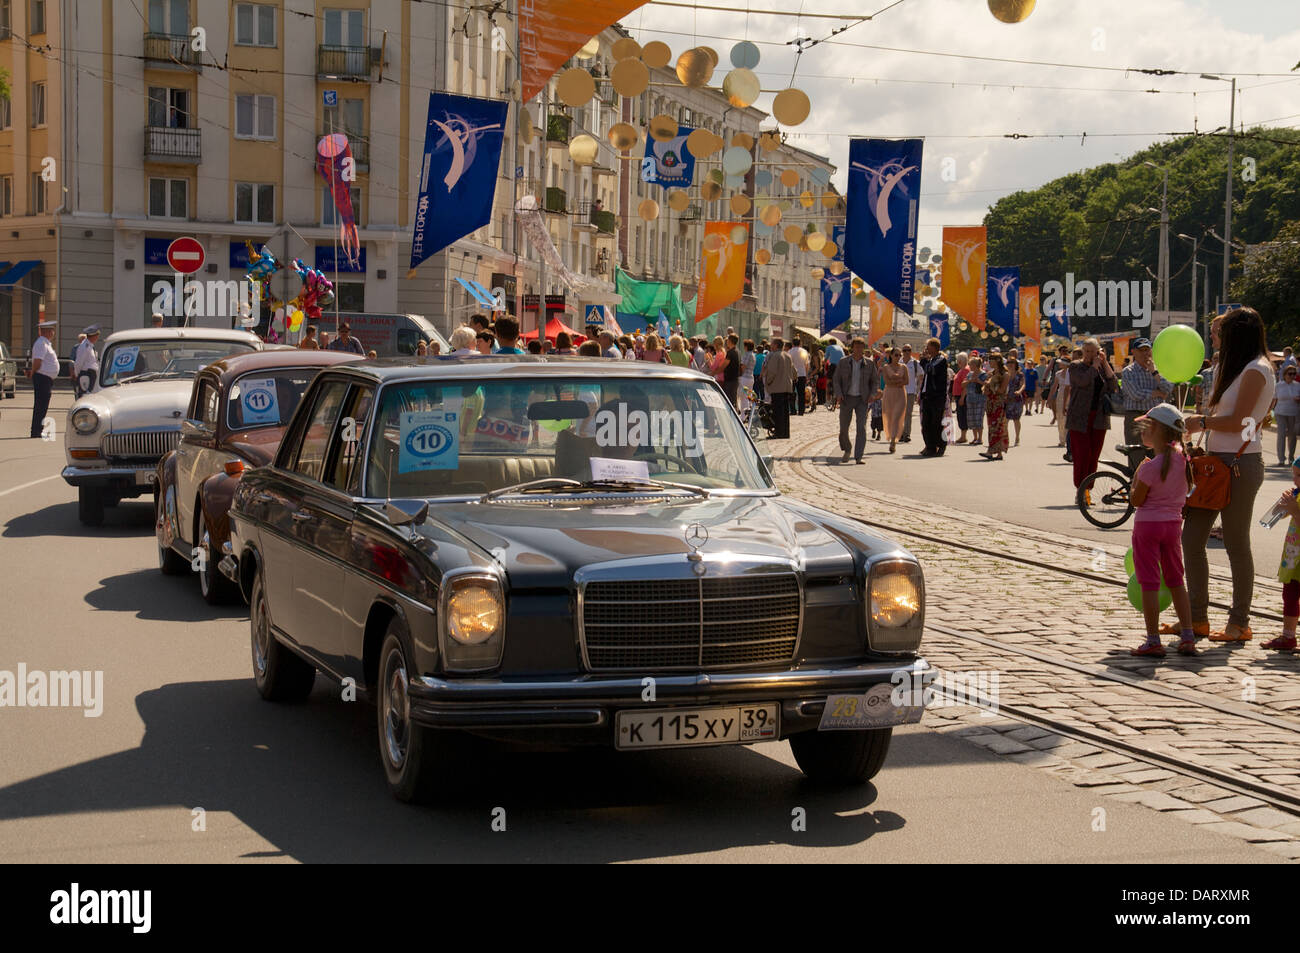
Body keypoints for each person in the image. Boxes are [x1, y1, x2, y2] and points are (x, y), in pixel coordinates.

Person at [1177, 307, 1275, 642]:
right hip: (1216, 462)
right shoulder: (1237, 368)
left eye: (1221, 332)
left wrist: (1201, 422)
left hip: (1239, 463)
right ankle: (1197, 618)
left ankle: (1239, 622)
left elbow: (1241, 422)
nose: (1215, 338)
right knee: (1191, 539)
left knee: (1235, 543)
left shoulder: (1256, 369)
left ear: (1238, 335)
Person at [1128, 403, 1196, 657]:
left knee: (1149, 583)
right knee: (1177, 580)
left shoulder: (1149, 467)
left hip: (1147, 527)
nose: (1142, 432)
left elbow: (1137, 500)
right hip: (1172, 526)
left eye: (1145, 427)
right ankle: (1188, 635)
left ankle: (1153, 639)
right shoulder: (1183, 461)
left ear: (1156, 430)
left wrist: (1136, 477)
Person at [1066, 339, 1119, 491]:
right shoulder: (1075, 366)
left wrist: (1105, 364)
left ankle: (1088, 489)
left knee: (1093, 456)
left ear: (1098, 352)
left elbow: (1113, 385)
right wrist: (1094, 366)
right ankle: (1080, 489)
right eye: (1086, 351)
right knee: (1082, 455)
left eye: (1093, 351)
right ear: (1082, 352)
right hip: (1079, 418)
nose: (1089, 354)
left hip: (1099, 418)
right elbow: (1082, 382)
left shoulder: (1102, 368)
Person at [1120, 337, 1170, 473]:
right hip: (1136, 417)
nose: (1145, 354)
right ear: (1133, 352)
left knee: (1157, 457)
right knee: (1137, 457)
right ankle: (1136, 490)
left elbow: (1168, 389)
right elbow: (1136, 394)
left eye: (1147, 350)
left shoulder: (1158, 370)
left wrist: (1154, 372)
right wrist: (1157, 393)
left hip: (1156, 418)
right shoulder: (1128, 372)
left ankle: (1154, 492)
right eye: (1141, 350)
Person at [1265, 459, 1300, 650]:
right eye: (1294, 475)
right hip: (1294, 557)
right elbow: (1276, 514)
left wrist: (1294, 510)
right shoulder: (1297, 495)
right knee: (1290, 594)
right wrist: (1283, 504)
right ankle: (1288, 636)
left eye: (1299, 475)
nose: (1295, 480)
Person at [832, 337, 879, 465]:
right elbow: (836, 380)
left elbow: (875, 381)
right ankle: (847, 449)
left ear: (864, 348)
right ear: (852, 348)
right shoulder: (844, 362)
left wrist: (873, 394)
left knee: (861, 428)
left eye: (861, 347)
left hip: (862, 399)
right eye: (856, 347)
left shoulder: (869, 363)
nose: (858, 349)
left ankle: (858, 456)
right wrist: (839, 394)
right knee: (843, 428)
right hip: (846, 398)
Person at [918, 337, 950, 457]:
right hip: (927, 396)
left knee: (936, 423)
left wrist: (923, 360)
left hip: (937, 397)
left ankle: (941, 446)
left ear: (935, 347)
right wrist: (921, 393)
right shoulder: (931, 360)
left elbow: (930, 369)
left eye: (928, 347)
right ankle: (930, 446)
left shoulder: (940, 360)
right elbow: (926, 377)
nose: (926, 349)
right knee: (926, 423)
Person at [28, 319, 59, 438]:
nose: (53, 333)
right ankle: (36, 431)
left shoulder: (45, 343)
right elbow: (37, 362)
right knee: (40, 405)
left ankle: (37, 430)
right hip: (42, 378)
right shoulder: (41, 343)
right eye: (52, 330)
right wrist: (33, 372)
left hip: (45, 378)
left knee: (42, 405)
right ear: (48, 332)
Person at [761, 339, 793, 439]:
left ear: (775, 345)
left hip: (777, 386)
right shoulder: (788, 355)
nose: (771, 346)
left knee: (778, 411)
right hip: (787, 386)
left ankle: (778, 432)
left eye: (772, 344)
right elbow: (793, 371)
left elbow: (772, 372)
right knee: (785, 412)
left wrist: (768, 382)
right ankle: (785, 432)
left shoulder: (775, 356)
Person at [981, 354, 1010, 461]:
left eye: (991, 360)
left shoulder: (1005, 374)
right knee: (992, 427)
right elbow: (986, 389)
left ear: (997, 361)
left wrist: (991, 386)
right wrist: (986, 387)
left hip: (999, 403)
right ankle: (998, 454)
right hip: (990, 403)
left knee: (998, 427)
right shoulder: (992, 373)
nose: (989, 362)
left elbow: (1002, 390)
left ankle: (990, 451)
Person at [1272, 364, 1300, 466]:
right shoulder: (1279, 385)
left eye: (1294, 374)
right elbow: (1274, 399)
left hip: (1294, 413)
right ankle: (1281, 459)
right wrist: (1269, 410)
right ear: (1285, 375)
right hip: (1280, 412)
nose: (1292, 376)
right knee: (1281, 435)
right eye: (1290, 374)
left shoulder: (1298, 385)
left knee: (1292, 436)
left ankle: (1291, 458)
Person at [961, 355, 986, 446]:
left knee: (979, 418)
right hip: (970, 398)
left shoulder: (983, 374)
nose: (969, 366)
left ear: (976, 365)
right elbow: (963, 385)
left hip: (980, 399)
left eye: (970, 364)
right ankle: (975, 437)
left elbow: (986, 386)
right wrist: (970, 381)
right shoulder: (969, 374)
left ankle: (980, 438)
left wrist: (979, 381)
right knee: (971, 418)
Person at [1003, 353, 1025, 447]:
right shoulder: (1005, 374)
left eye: (1012, 362)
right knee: (1006, 420)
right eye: (1008, 362)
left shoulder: (1020, 374)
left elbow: (1023, 384)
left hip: (1016, 399)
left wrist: (1019, 391)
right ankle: (1006, 439)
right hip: (1007, 399)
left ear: (1016, 364)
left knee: (1016, 419)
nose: (1010, 364)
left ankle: (1017, 438)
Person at [73, 325, 101, 397]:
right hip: (86, 374)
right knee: (85, 396)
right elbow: (79, 362)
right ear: (93, 336)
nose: (98, 338)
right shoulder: (84, 346)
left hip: (92, 375)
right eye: (97, 335)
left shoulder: (90, 346)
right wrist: (77, 374)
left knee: (90, 396)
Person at [900, 343, 920, 443]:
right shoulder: (898, 362)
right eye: (905, 350)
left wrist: (919, 390)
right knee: (899, 414)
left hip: (911, 392)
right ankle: (900, 433)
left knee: (908, 414)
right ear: (902, 351)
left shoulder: (915, 363)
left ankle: (906, 434)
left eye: (909, 350)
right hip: (899, 391)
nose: (907, 352)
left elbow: (921, 376)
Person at [951, 351, 970, 443]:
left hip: (962, 396)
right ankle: (963, 435)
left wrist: (962, 397)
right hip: (958, 396)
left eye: (958, 361)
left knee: (962, 415)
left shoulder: (965, 370)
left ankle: (963, 436)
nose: (957, 363)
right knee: (960, 415)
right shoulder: (962, 370)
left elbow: (965, 385)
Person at [788, 337, 810, 415]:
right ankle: (801, 410)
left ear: (793, 343)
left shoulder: (789, 352)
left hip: (792, 375)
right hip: (802, 374)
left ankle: (793, 410)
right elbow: (807, 364)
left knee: (791, 393)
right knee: (801, 394)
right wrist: (806, 374)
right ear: (800, 343)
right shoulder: (804, 351)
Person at [721, 334, 742, 409]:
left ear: (729, 341)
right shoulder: (738, 351)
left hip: (730, 381)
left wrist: (713, 372)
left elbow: (723, 366)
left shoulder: (730, 352)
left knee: (728, 402)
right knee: (733, 401)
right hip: (735, 380)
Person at [739, 339, 756, 413]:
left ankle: (743, 416)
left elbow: (743, 366)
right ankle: (748, 415)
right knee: (748, 397)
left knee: (743, 398)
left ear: (746, 347)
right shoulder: (753, 355)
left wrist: (739, 374)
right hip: (751, 378)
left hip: (745, 378)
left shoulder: (746, 354)